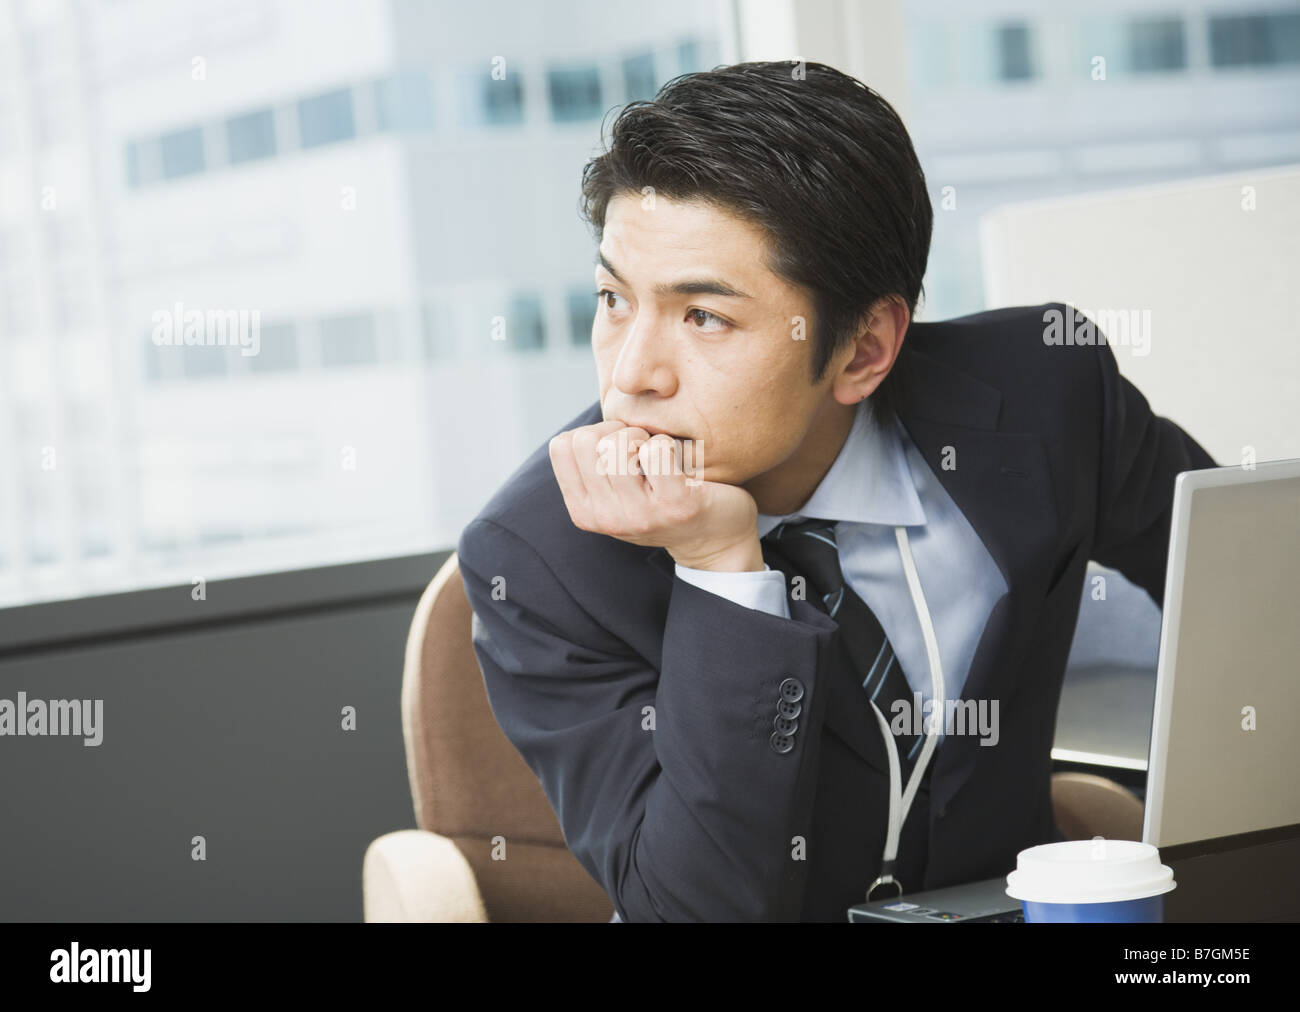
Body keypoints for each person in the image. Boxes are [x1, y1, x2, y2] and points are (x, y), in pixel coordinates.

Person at [456, 61, 1216, 922]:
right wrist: (719, 569)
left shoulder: (1048, 395)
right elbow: (692, 912)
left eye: (703, 316)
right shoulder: (541, 558)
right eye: (613, 299)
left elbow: (1254, 588)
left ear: (862, 350)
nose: (631, 377)